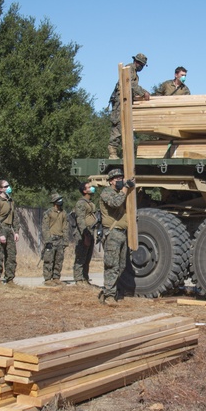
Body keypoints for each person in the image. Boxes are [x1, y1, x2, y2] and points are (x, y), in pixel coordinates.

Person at [98, 168, 136, 305]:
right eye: (117, 179)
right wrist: (125, 188)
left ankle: (113, 291)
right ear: (111, 181)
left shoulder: (119, 193)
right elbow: (115, 203)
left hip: (121, 233)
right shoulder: (107, 193)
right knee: (111, 265)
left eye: (121, 178)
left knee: (121, 265)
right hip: (112, 233)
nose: (119, 180)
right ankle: (109, 295)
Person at [108, 52, 151, 159]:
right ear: (137, 62)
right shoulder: (128, 69)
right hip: (120, 100)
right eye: (141, 64)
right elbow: (129, 83)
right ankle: (112, 152)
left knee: (127, 126)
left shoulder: (134, 72)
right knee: (118, 124)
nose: (142, 67)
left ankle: (125, 153)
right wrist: (143, 92)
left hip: (126, 100)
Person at [0, 180, 20, 285]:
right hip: (0, 229)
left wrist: (16, 231)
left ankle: (10, 279)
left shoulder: (11, 201)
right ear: (0, 189)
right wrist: (0, 233)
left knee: (11, 255)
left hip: (9, 230)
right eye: (6, 186)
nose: (9, 187)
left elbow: (15, 218)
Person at [72, 180, 98, 286]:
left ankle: (85, 278)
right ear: (84, 190)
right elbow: (80, 220)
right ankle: (78, 279)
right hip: (83, 234)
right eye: (89, 187)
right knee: (80, 257)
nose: (92, 188)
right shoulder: (81, 203)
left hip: (91, 232)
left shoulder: (90, 203)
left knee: (87, 257)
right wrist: (85, 234)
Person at [41, 192, 67, 286]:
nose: (60, 201)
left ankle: (56, 277)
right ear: (54, 202)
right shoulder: (48, 213)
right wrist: (48, 240)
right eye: (58, 200)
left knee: (59, 260)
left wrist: (65, 240)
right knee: (49, 259)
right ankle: (47, 279)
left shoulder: (64, 213)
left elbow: (65, 227)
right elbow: (45, 227)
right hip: (51, 239)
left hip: (60, 239)